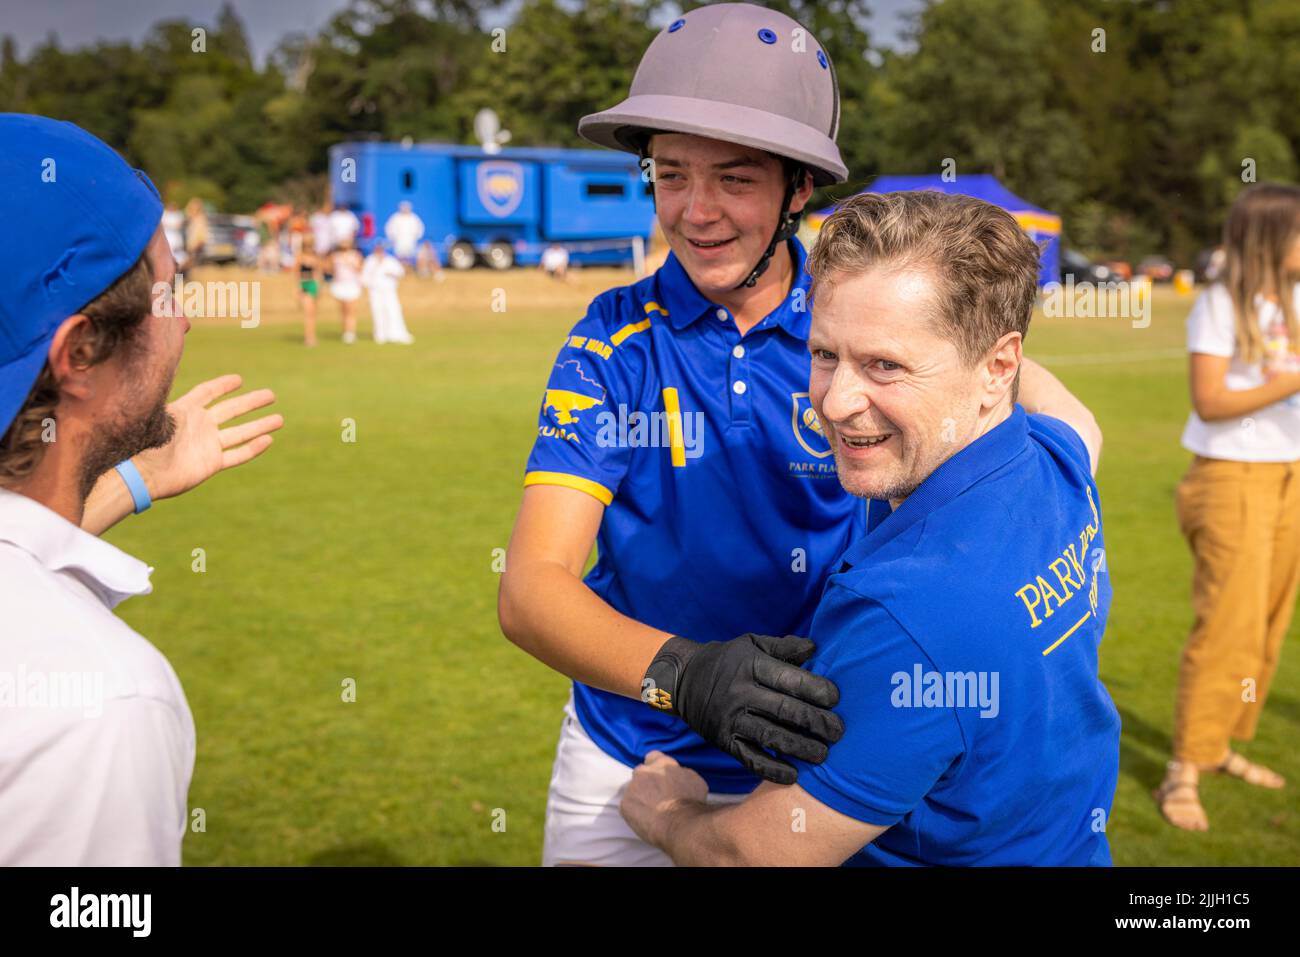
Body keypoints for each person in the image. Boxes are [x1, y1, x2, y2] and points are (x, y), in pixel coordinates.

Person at [617, 190, 1119, 866]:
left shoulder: (910, 614)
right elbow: (1080, 419)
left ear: (999, 368)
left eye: (885, 364)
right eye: (825, 353)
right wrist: (976, 359)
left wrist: (668, 811)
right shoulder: (1058, 463)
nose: (834, 399)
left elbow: (760, 854)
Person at [0, 113, 282, 865]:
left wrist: (135, 479)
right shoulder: (96, 704)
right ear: (81, 351)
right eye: (171, 290)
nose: (186, 322)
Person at [1154, 183, 1300, 831]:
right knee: (1229, 622)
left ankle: (1218, 745)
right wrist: (1289, 379)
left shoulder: (1294, 301)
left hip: (1289, 475)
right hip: (1230, 475)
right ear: (1271, 237)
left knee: (1269, 620)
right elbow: (1210, 401)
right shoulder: (1218, 304)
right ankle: (1183, 766)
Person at [362, 240, 414, 345]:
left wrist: (391, 273)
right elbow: (365, 277)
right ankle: (380, 334)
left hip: (389, 291)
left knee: (393, 310)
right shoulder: (370, 261)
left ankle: (395, 334)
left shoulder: (391, 261)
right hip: (375, 291)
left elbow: (401, 272)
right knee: (378, 311)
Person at [330, 236, 364, 345]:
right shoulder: (335, 257)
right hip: (340, 284)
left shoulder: (355, 256)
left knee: (351, 310)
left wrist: (350, 263)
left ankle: (351, 332)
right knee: (343, 310)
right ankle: (345, 331)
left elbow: (360, 269)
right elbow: (330, 269)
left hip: (352, 285)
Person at [296, 233, 322, 347]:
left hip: (313, 285)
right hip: (304, 285)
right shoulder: (300, 257)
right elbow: (296, 273)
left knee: (313, 313)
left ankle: (312, 336)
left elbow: (318, 272)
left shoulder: (316, 257)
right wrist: (297, 288)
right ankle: (308, 337)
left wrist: (318, 287)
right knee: (308, 313)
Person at [384, 200, 426, 265]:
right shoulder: (396, 217)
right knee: (399, 256)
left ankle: (409, 269)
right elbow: (389, 228)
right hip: (399, 241)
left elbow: (420, 228)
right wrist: (393, 238)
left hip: (410, 240)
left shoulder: (414, 217)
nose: (405, 209)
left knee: (410, 257)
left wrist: (416, 237)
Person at [183, 197, 208, 267]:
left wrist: (199, 243)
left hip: (195, 245)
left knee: (183, 266)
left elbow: (202, 232)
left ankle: (179, 278)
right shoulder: (190, 219)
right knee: (186, 266)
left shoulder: (200, 219)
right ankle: (180, 277)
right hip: (188, 246)